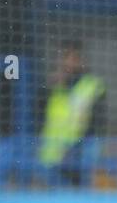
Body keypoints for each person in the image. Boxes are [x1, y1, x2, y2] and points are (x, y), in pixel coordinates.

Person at [37, 40, 105, 186]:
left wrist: (75, 147)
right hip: (53, 150)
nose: (68, 62)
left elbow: (98, 120)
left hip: (80, 148)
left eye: (73, 58)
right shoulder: (52, 85)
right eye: (65, 58)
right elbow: (39, 113)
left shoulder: (92, 84)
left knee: (80, 189)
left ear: (81, 60)